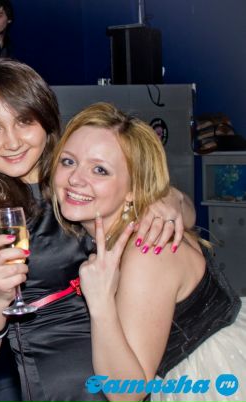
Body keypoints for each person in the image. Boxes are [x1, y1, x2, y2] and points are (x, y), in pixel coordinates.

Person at [0, 59, 196, 401]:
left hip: (132, 370)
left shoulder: (71, 178)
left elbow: (174, 212)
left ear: (45, 118)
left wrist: (169, 200)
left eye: (23, 121)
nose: (11, 142)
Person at [50, 102, 245, 402]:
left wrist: (100, 302)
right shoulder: (133, 225)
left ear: (133, 189)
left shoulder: (146, 250)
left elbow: (128, 392)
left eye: (100, 170)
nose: (75, 178)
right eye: (68, 161)